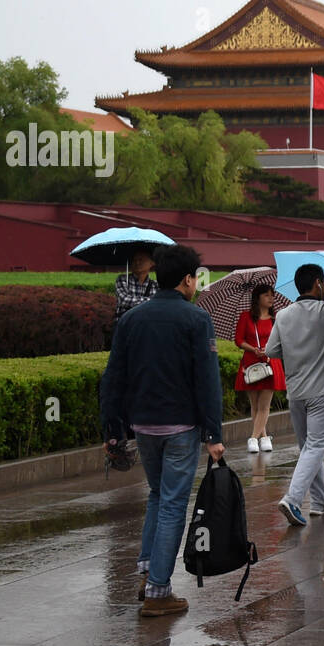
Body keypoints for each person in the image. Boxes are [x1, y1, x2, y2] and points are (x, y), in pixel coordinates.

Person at [100, 245, 224, 618]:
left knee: (157, 495)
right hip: (180, 427)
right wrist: (213, 435)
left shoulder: (132, 319)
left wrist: (113, 429)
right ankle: (158, 591)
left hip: (143, 426)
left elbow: (113, 378)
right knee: (172, 504)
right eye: (195, 278)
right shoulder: (196, 319)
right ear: (187, 279)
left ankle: (146, 570)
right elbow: (207, 381)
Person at [265, 263, 324, 526]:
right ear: (318, 283)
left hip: (296, 393)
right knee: (315, 447)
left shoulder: (283, 315)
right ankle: (292, 499)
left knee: (308, 449)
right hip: (322, 392)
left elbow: (271, 350)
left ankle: (320, 502)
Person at [235, 284, 286, 453]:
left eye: (272, 295)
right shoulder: (246, 317)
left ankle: (252, 439)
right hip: (251, 362)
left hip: (271, 362)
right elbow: (239, 340)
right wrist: (253, 349)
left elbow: (282, 340)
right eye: (267, 295)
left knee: (264, 405)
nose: (271, 298)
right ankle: (263, 438)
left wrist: (268, 349)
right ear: (257, 298)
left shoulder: (276, 319)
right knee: (255, 405)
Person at [113, 249, 158, 323]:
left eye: (141, 259)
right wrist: (151, 302)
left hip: (146, 325)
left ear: (152, 263)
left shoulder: (155, 285)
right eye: (134, 260)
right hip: (125, 324)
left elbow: (159, 304)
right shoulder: (123, 279)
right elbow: (124, 300)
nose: (137, 262)